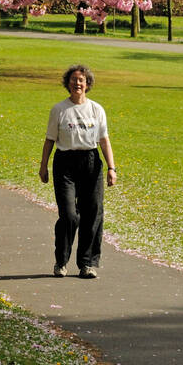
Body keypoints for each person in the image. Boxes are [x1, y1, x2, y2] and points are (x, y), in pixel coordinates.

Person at [39, 64, 117, 278]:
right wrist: (43, 165)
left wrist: (111, 167)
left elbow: (104, 140)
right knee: (69, 215)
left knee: (92, 213)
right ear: (67, 84)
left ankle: (87, 264)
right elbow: (49, 140)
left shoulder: (96, 109)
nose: (77, 83)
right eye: (73, 80)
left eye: (81, 80)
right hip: (65, 163)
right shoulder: (59, 110)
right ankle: (61, 261)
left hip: (91, 161)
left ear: (87, 84)